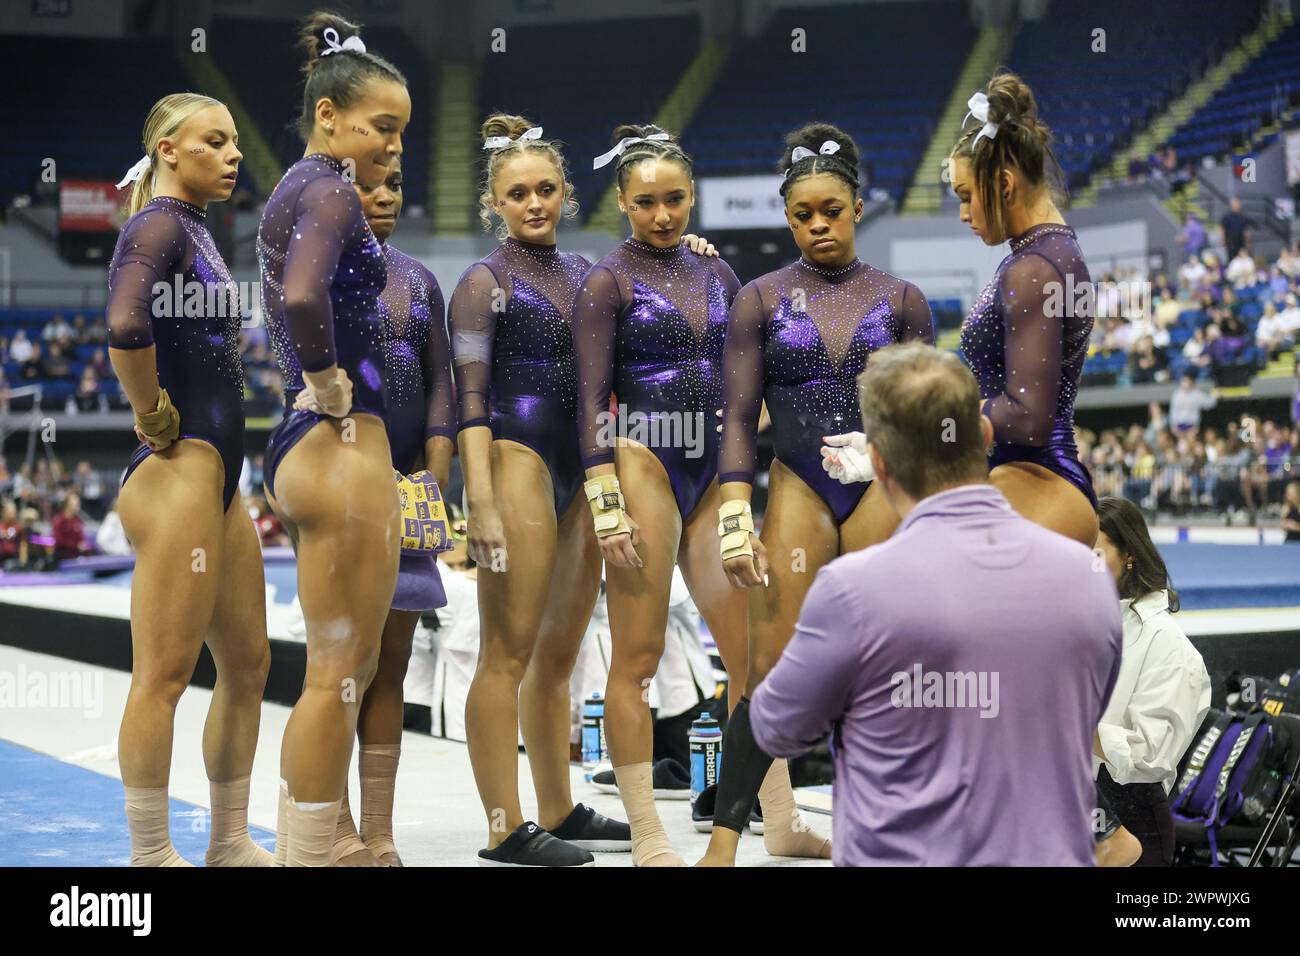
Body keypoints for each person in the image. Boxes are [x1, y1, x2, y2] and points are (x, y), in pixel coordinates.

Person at [748, 343, 1122, 865]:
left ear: (875, 461)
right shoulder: (1089, 579)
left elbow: (775, 727)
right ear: (987, 437)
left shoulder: (852, 591)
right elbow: (1085, 705)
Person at [699, 122, 934, 867]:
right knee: (766, 669)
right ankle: (727, 840)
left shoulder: (902, 300)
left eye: (830, 210)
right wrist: (736, 510)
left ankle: (888, 835)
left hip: (878, 484)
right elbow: (738, 417)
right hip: (797, 480)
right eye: (802, 215)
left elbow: (926, 418)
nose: (817, 226)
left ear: (858, 207)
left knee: (886, 666)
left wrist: (895, 465)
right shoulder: (760, 300)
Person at [452, 115, 633, 866]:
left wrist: (690, 254)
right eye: (518, 192)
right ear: (493, 202)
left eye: (547, 189)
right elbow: (468, 396)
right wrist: (481, 500)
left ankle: (557, 807)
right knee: (507, 651)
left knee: (560, 652)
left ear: (566, 193)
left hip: (581, 463)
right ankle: (503, 824)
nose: (535, 203)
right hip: (514, 451)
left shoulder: (590, 273)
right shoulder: (481, 283)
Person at [257, 10, 410, 866]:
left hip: (318, 445)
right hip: (339, 444)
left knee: (335, 677)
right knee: (333, 679)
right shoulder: (325, 189)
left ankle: (315, 847)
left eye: (400, 133)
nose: (392, 147)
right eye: (381, 128)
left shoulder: (303, 187)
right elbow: (308, 298)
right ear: (328, 115)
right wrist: (326, 380)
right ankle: (308, 857)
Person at [572, 122, 747, 866]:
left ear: (693, 196)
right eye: (646, 203)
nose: (663, 216)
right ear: (622, 202)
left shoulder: (719, 273)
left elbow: (748, 380)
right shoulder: (606, 282)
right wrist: (606, 502)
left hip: (715, 469)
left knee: (751, 655)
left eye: (675, 200)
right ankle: (647, 828)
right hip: (643, 458)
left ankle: (758, 814)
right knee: (637, 657)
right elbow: (590, 398)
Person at [107, 92, 272, 867]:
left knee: (247, 666)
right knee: (166, 673)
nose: (234, 153)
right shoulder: (159, 224)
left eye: (236, 140)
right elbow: (124, 324)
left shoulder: (196, 230)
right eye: (216, 140)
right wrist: (153, 411)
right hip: (176, 470)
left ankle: (229, 840)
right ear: (170, 149)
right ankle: (150, 853)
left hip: (216, 478)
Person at [326, 155, 456, 867]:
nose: (381, 198)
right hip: (342, 486)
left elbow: (442, 386)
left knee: (393, 664)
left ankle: (379, 831)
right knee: (343, 663)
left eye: (393, 185)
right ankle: (334, 825)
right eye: (364, 189)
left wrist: (432, 481)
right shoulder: (315, 274)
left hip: (408, 487)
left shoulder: (419, 279)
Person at [1093, 496, 1210, 865]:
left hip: (1133, 823)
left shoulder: (1168, 644)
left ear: (1128, 554)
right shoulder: (1088, 625)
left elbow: (1150, 755)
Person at [1220, 197, 1250, 263]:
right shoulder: (1227, 216)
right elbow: (1222, 229)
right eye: (1235, 204)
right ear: (1232, 205)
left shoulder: (1243, 217)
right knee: (1232, 260)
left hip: (1241, 242)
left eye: (1238, 204)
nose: (1237, 206)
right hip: (1231, 243)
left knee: (1242, 259)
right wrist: (1223, 241)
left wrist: (1247, 241)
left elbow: (1246, 230)